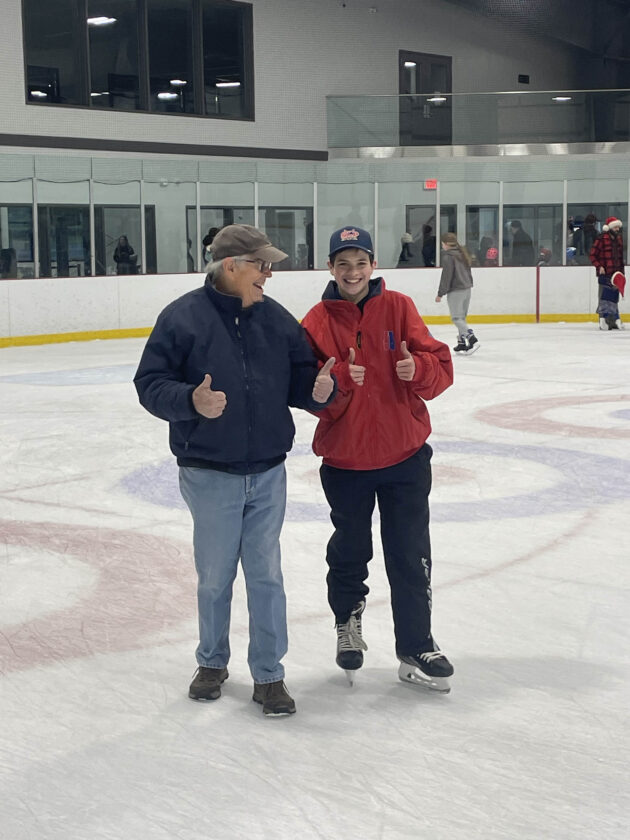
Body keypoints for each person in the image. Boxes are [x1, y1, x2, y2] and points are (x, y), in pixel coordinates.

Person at [134, 224, 336, 716]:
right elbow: (149, 383)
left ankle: (269, 674)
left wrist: (317, 390)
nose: (269, 273)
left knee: (266, 574)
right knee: (214, 576)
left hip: (268, 470)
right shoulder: (182, 318)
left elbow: (300, 378)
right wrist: (190, 401)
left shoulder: (276, 318)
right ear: (232, 266)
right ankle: (212, 662)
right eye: (261, 264)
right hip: (209, 472)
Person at [301, 225, 455, 693]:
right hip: (345, 461)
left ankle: (417, 644)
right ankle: (348, 627)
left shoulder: (400, 307)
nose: (352, 272)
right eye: (343, 264)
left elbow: (440, 367)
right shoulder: (316, 321)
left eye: (360, 262)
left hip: (404, 455)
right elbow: (309, 393)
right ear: (330, 267)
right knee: (350, 550)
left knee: (409, 553)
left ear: (373, 266)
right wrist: (340, 379)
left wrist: (419, 369)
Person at [435, 232, 480, 355]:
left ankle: (472, 338)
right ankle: (461, 342)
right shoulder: (462, 254)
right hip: (466, 289)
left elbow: (446, 276)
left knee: (456, 318)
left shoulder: (449, 257)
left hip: (456, 290)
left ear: (445, 244)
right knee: (462, 318)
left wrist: (440, 293)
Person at [589, 216, 625, 330]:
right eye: (615, 227)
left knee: (614, 297)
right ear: (610, 227)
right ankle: (602, 319)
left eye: (618, 227)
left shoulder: (619, 239)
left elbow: (620, 258)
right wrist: (599, 266)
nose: (617, 229)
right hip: (605, 274)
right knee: (603, 297)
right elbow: (592, 255)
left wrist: (621, 274)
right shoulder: (601, 239)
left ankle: (613, 320)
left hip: (616, 273)